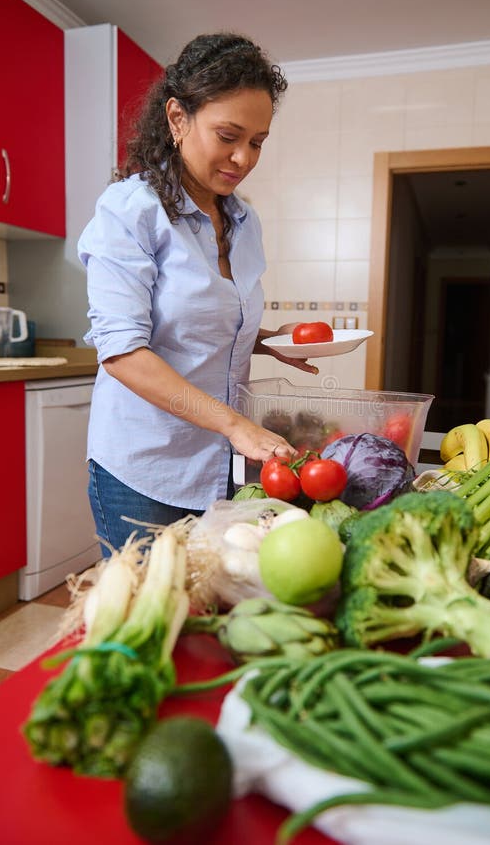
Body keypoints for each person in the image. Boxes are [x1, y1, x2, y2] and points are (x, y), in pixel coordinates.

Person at [78, 32, 317, 556]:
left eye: (257, 141)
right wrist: (235, 425)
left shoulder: (243, 219)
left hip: (219, 464)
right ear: (177, 119)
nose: (243, 157)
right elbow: (121, 352)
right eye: (228, 135)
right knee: (150, 619)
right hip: (146, 468)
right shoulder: (129, 211)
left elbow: (200, 324)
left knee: (208, 616)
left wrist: (267, 339)